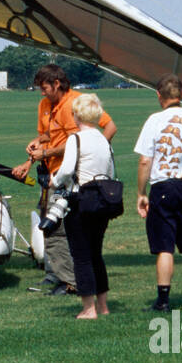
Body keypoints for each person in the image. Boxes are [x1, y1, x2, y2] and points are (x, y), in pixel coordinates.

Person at [10, 65, 116, 296]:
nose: (41, 93)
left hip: (69, 179)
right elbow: (49, 135)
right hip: (51, 174)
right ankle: (60, 274)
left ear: (56, 84)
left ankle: (69, 281)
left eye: (44, 88)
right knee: (58, 228)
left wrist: (94, 154)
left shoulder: (78, 103)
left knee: (57, 229)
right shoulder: (45, 105)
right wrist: (37, 145)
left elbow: (108, 127)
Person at [134, 73, 182, 311]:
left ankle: (164, 300)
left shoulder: (155, 120)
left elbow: (145, 161)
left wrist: (141, 192)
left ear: (159, 96)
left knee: (165, 246)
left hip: (164, 186)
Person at [51, 92, 115, 319]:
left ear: (78, 115)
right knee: (96, 254)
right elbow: (110, 171)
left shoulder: (75, 139)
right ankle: (104, 306)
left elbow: (67, 170)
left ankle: (88, 308)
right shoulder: (102, 140)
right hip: (102, 202)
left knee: (81, 256)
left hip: (80, 201)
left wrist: (54, 181)